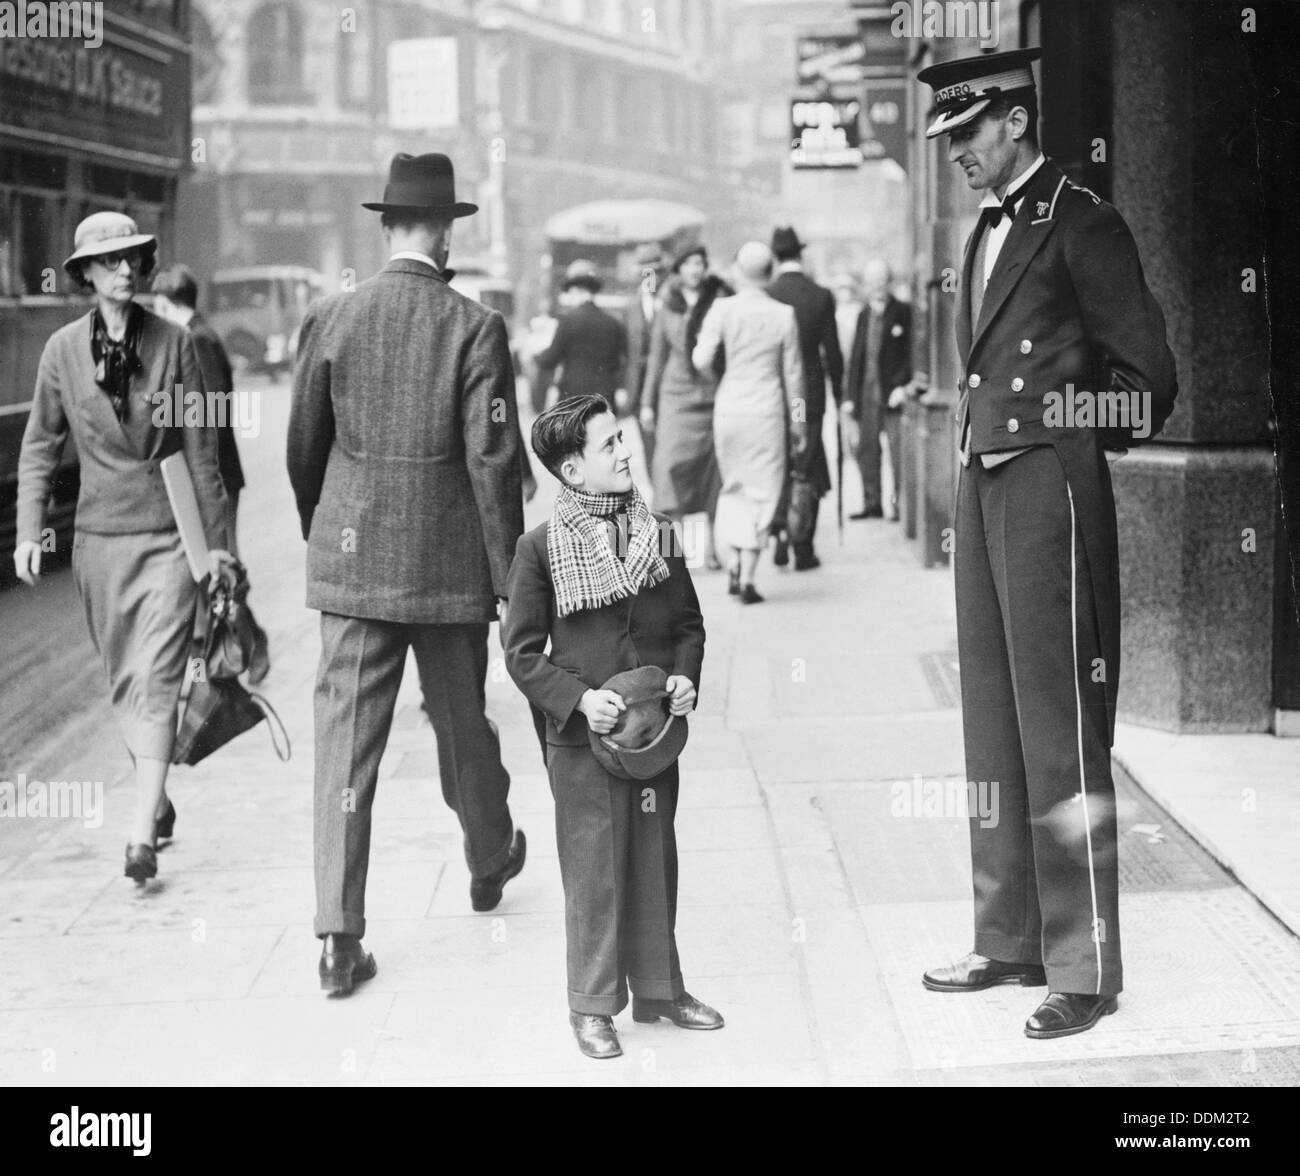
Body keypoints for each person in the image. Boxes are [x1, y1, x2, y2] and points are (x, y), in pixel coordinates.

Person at [917, 50, 1177, 1038]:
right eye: (947, 140)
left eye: (970, 134)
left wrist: (1058, 427)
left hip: (1044, 490)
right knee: (990, 723)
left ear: (1016, 122)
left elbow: (1149, 380)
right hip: (982, 486)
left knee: (1060, 730)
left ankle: (1084, 960)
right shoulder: (982, 230)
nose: (957, 155)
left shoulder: (1082, 219)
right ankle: (1007, 934)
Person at [287, 152, 527, 996]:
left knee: (345, 750)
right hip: (450, 566)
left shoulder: (333, 316)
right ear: (449, 228)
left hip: (354, 567)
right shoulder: (475, 326)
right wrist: (509, 580)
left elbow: (303, 450)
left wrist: (331, 532)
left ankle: (336, 939)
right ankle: (489, 852)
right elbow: (494, 460)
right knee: (462, 724)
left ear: (385, 225)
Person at [13, 212, 232, 882]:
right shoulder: (60, 353)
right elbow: (40, 446)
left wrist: (218, 552)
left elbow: (202, 455)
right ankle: (155, 795)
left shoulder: (175, 344)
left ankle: (139, 834)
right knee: (123, 679)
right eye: (110, 262)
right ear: (84, 274)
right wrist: (28, 530)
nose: (126, 270)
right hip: (100, 543)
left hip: (168, 534)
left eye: (135, 258)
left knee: (159, 677)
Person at [503, 393, 723, 1059]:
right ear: (572, 473)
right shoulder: (539, 550)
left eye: (621, 439)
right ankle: (593, 1006)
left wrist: (685, 676)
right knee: (595, 870)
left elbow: (688, 625)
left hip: (654, 738)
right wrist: (576, 699)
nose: (626, 452)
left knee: (656, 858)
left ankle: (660, 988)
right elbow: (519, 654)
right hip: (581, 745)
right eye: (609, 446)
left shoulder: (658, 534)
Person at [151, 263, 270, 680]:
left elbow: (208, 414)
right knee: (214, 563)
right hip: (214, 473)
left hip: (214, 476)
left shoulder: (195, 339)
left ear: (166, 303)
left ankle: (249, 645)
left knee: (220, 562)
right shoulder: (199, 334)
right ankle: (235, 647)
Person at [692, 242, 807, 604]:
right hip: (768, 412)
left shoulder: (722, 309)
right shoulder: (784, 315)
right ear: (771, 272)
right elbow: (795, 377)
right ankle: (748, 575)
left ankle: (732, 564)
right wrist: (799, 424)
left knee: (734, 486)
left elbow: (701, 358)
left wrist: (718, 377)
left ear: (738, 273)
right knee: (764, 490)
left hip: (729, 406)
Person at [639, 244, 730, 569]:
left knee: (712, 476)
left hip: (711, 396)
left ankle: (712, 550)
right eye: (688, 263)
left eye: (700, 263)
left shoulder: (719, 300)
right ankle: (669, 554)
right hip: (675, 397)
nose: (695, 269)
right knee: (666, 471)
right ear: (678, 269)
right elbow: (656, 358)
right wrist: (647, 403)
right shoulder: (668, 303)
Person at [765, 226, 844, 571]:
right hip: (808, 397)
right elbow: (833, 353)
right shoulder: (820, 295)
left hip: (776, 396)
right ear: (800, 254)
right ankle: (803, 546)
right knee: (807, 464)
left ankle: (779, 530)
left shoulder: (766, 295)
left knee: (778, 465)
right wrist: (842, 396)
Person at [844, 259, 914, 521]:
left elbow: (911, 354)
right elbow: (856, 359)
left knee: (897, 453)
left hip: (892, 393)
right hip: (866, 393)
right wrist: (850, 397)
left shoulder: (903, 312)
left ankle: (899, 506)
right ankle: (871, 502)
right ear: (865, 285)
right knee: (867, 450)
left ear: (890, 282)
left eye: (882, 281)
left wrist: (902, 386)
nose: (878, 286)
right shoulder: (864, 314)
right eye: (872, 282)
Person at [534, 260, 628, 409]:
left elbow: (550, 359)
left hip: (573, 399)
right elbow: (621, 361)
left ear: (575, 290)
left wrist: (536, 355)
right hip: (604, 399)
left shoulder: (568, 321)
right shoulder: (613, 323)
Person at [624, 241, 668, 469]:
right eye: (645, 273)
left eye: (655, 272)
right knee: (648, 445)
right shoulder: (631, 307)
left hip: (667, 387)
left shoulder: (671, 302)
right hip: (639, 389)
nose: (650, 278)